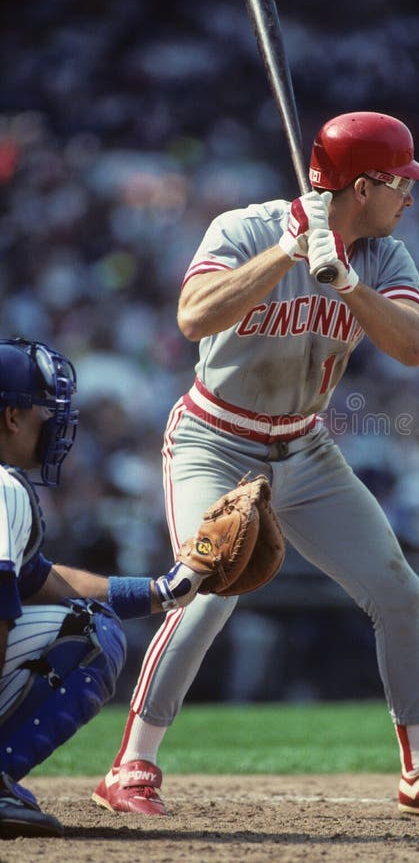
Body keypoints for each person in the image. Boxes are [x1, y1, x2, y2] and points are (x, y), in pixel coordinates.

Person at [92, 111, 419, 820]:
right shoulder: (245, 228)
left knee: (398, 588)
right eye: (401, 182)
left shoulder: (380, 257)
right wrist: (284, 252)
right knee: (206, 587)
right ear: (363, 185)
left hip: (304, 447)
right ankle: (131, 767)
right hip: (214, 438)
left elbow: (414, 346)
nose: (411, 195)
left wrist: (343, 282)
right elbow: (192, 315)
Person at [0, 337, 208, 838]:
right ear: (11, 416)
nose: (54, 422)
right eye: (44, 410)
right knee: (91, 632)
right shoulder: (4, 488)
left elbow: (42, 579)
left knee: (75, 611)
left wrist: (161, 591)